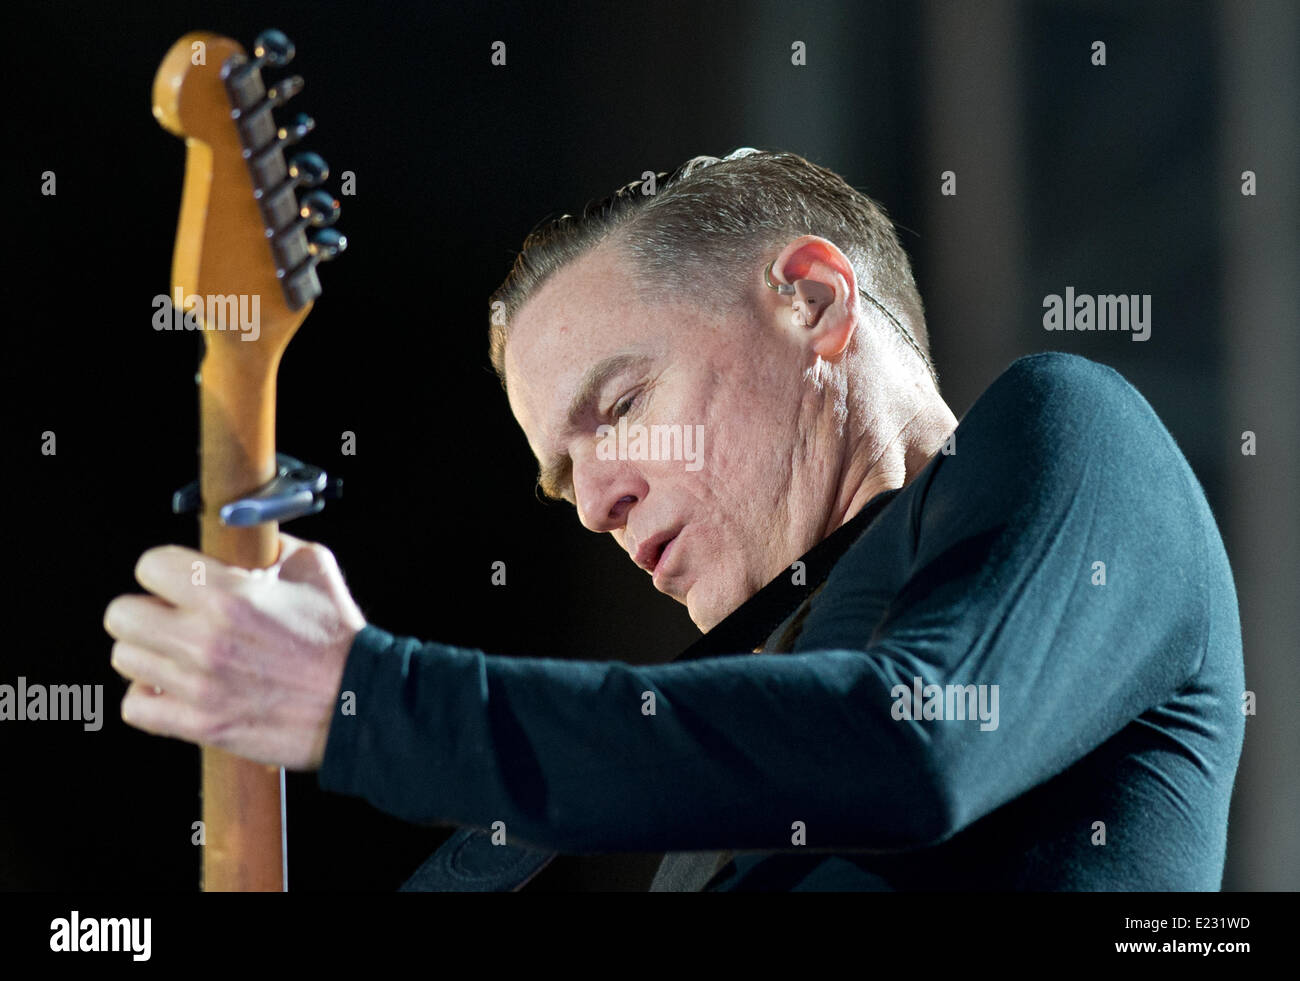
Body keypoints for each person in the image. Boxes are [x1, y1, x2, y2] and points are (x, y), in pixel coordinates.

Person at [104, 149, 1244, 890]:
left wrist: (362, 695)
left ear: (813, 299)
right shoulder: (705, 777)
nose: (595, 501)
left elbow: (912, 742)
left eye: (621, 407)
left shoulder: (1069, 430)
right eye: (562, 479)